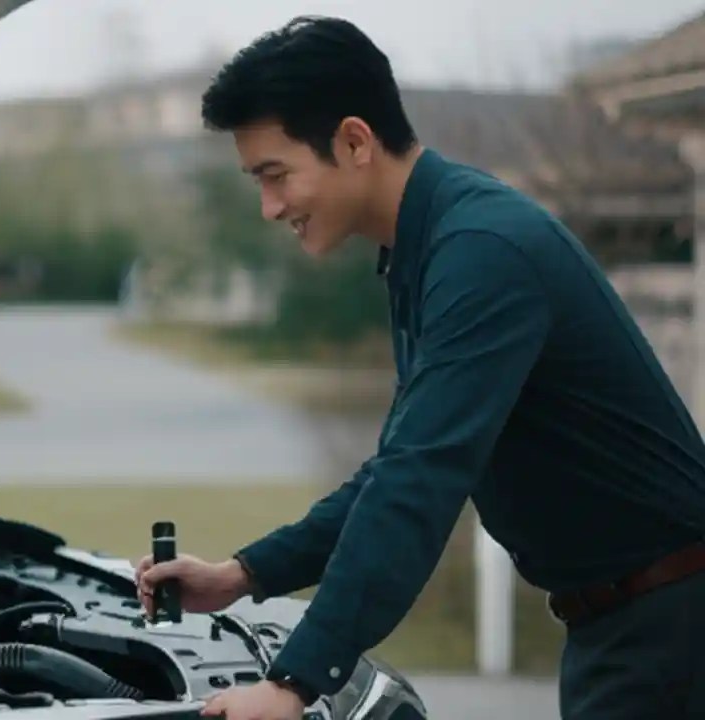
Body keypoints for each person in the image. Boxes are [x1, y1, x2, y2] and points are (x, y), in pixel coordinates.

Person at [134, 15, 705, 720]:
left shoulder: (483, 253)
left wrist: (293, 684)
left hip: (670, 634)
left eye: (276, 175)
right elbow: (394, 469)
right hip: (631, 627)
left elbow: (419, 481)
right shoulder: (431, 248)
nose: (268, 207)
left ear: (354, 141)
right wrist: (245, 575)